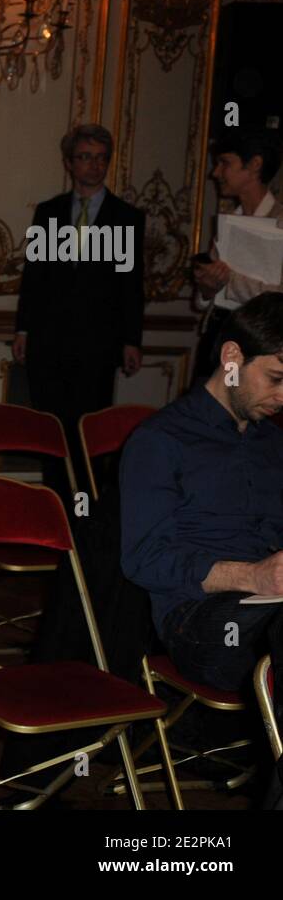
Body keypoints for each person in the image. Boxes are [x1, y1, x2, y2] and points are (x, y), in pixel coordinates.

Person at [121, 292, 283, 693]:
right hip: (199, 619)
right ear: (232, 357)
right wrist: (253, 576)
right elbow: (143, 560)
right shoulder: (160, 440)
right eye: (276, 379)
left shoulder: (275, 443)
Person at [13, 124, 146, 502]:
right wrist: (23, 329)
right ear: (70, 163)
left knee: (88, 429)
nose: (94, 165)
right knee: (52, 429)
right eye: (85, 157)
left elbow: (132, 284)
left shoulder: (127, 217)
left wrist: (131, 340)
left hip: (98, 343)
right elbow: (34, 276)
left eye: (101, 158)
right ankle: (55, 499)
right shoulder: (49, 212)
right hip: (49, 341)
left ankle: (86, 508)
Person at [192, 129, 283, 379]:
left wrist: (227, 280)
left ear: (254, 165)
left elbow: (278, 297)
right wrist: (207, 288)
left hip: (257, 351)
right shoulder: (230, 222)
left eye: (225, 163)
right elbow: (206, 300)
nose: (216, 172)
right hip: (217, 341)